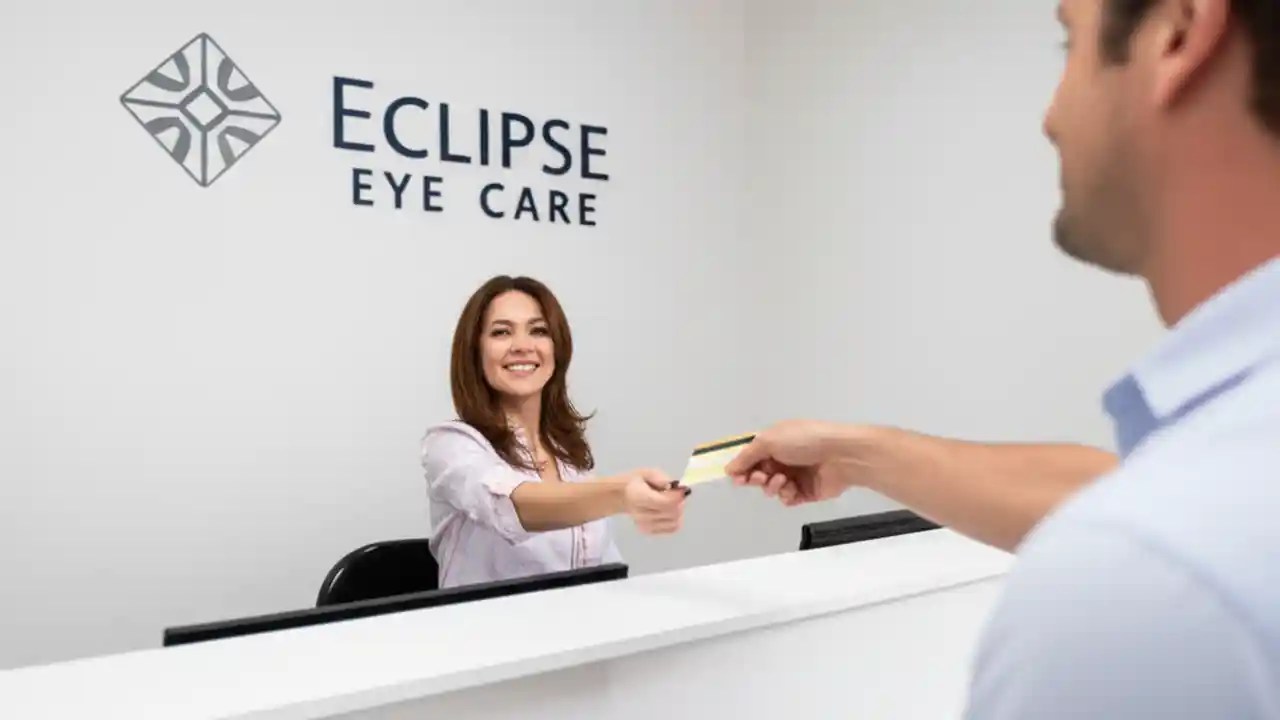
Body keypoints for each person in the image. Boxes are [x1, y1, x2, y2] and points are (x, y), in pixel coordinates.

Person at [728, 0, 1280, 716]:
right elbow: (1125, 493)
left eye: (1068, 45)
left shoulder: (1140, 590)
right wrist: (854, 454)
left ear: (1178, 35)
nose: (1049, 116)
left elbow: (1149, 530)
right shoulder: (1219, 490)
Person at [421, 275, 688, 588]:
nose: (522, 346)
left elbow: (606, 573)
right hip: (487, 633)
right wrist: (621, 493)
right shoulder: (450, 445)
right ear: (475, 351)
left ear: (556, 348)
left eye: (539, 331)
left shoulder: (570, 457)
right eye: (501, 332)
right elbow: (514, 505)